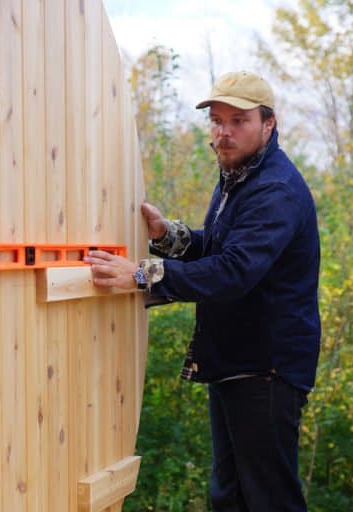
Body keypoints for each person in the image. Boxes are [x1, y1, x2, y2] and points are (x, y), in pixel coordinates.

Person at [84, 70, 320, 511]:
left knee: (269, 499)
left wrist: (141, 274)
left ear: (268, 123)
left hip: (267, 367)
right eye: (217, 120)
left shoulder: (275, 190)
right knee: (229, 497)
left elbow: (233, 272)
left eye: (238, 121)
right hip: (239, 362)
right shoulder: (240, 176)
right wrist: (167, 235)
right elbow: (219, 248)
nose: (224, 133)